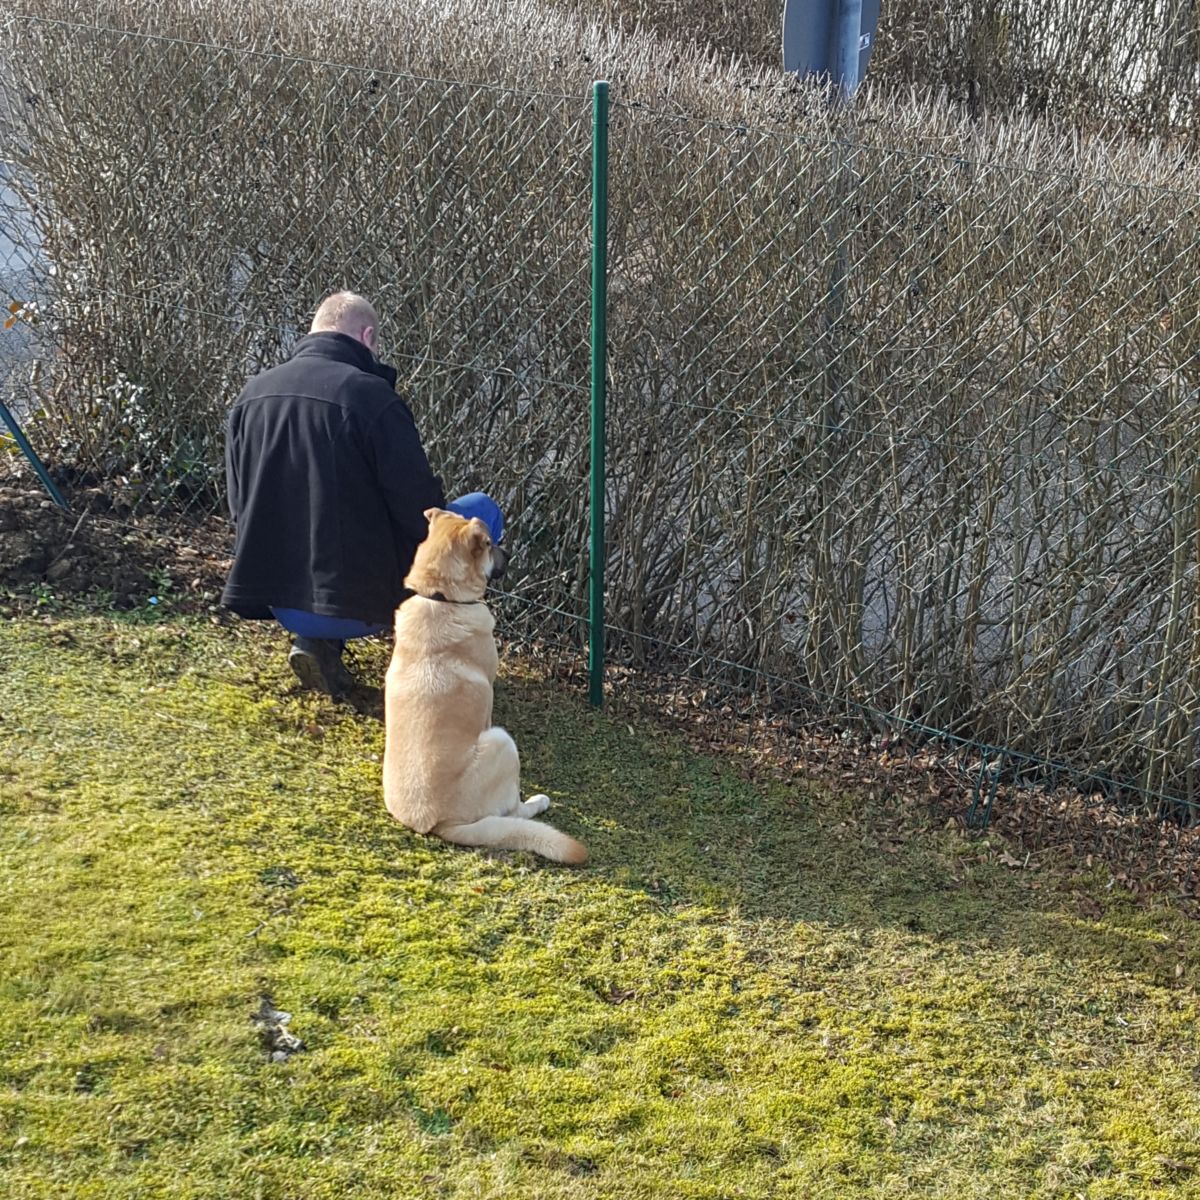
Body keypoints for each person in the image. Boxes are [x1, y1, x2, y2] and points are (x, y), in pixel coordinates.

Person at [222, 291, 503, 696]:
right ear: (368, 337)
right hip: (363, 608)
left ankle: (314, 642)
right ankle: (440, 655)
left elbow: (238, 506)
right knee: (480, 511)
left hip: (277, 597)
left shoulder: (252, 394)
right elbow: (420, 512)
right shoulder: (373, 399)